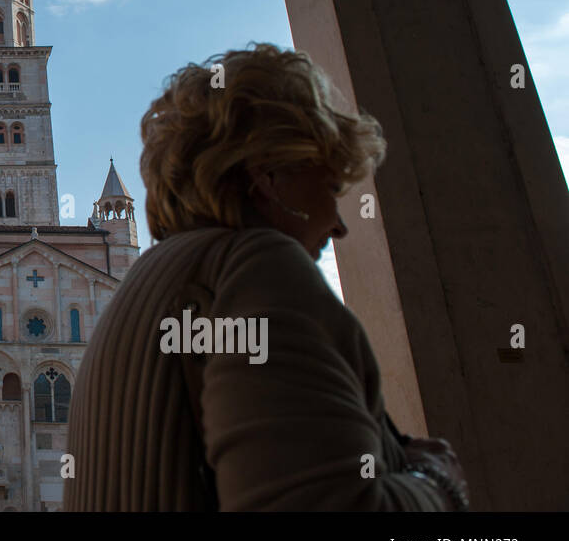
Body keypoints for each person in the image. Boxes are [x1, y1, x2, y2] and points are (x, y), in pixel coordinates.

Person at [64, 43, 468, 510]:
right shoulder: (254, 269)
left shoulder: (146, 282)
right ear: (269, 176)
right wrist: (438, 481)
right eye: (331, 187)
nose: (339, 223)